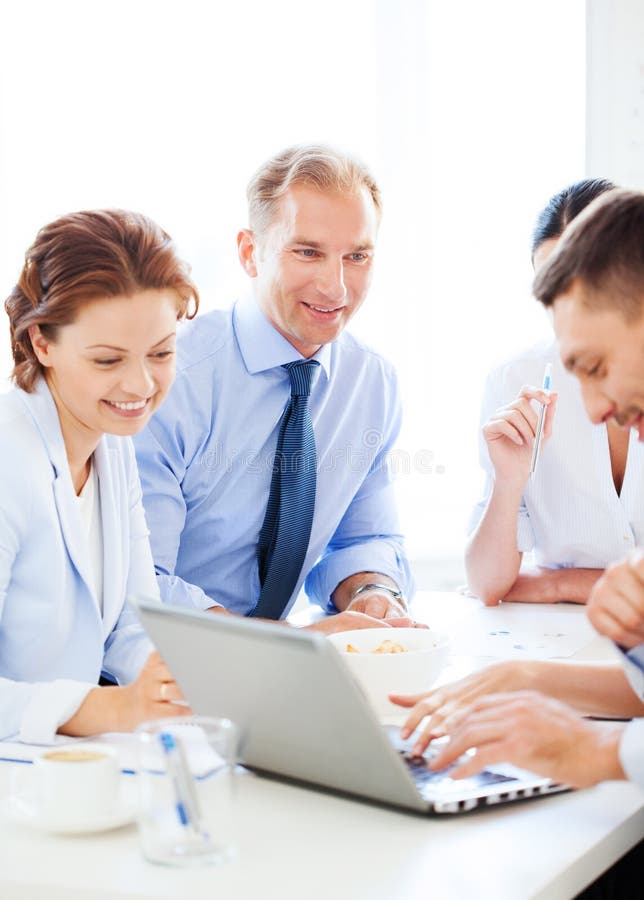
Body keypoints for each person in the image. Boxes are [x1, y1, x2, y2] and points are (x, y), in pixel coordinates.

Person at [394, 188, 644, 793]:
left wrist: (596, 750)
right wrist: (525, 679)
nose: (592, 409)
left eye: (597, 365)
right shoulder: (518, 380)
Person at [134, 144, 415, 633]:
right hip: (158, 670)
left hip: (282, 671)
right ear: (250, 252)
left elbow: (365, 538)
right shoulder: (170, 378)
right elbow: (141, 583)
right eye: (308, 252)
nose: (336, 288)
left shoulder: (372, 383)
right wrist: (278, 646)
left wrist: (373, 591)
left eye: (357, 256)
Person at [0, 209, 196, 744]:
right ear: (42, 343)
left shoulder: (109, 441)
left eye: (161, 353)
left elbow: (132, 622)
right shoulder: (8, 458)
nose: (139, 385)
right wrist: (111, 710)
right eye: (108, 360)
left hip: (71, 770)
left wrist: (177, 684)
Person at [466, 178, 644, 606]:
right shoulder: (515, 379)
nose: (566, 307)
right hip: (560, 635)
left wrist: (560, 583)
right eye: (552, 289)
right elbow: (488, 585)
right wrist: (509, 481)